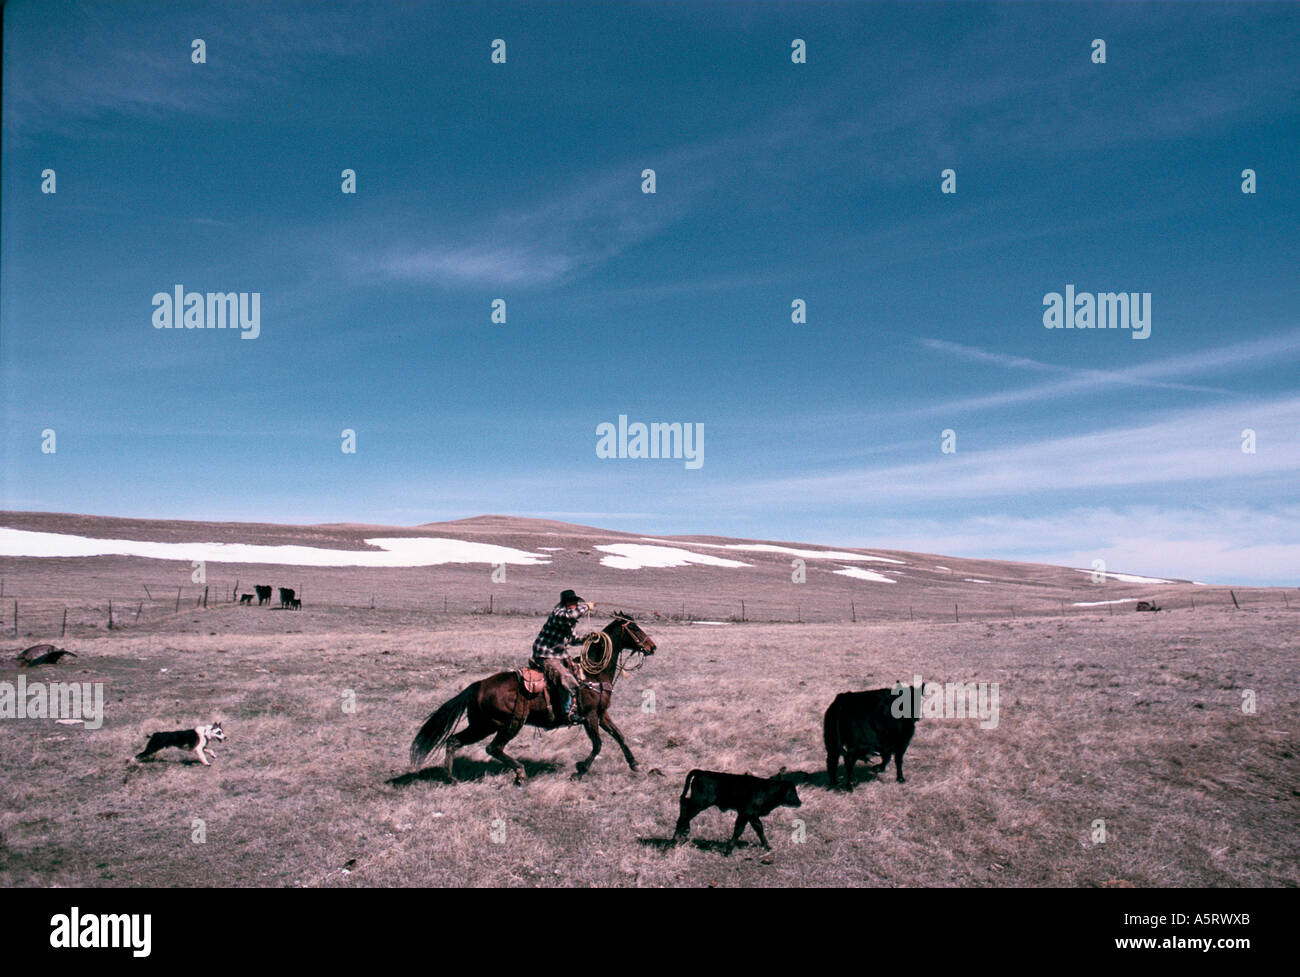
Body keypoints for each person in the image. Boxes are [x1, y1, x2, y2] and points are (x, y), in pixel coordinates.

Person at [531, 589, 595, 724]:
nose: (574, 604)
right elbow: (571, 616)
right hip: (545, 654)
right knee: (565, 677)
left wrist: (587, 638)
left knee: (577, 671)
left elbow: (572, 639)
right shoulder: (558, 613)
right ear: (564, 603)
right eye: (571, 602)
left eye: (575, 602)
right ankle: (567, 713)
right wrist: (586, 607)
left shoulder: (567, 619)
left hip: (558, 655)